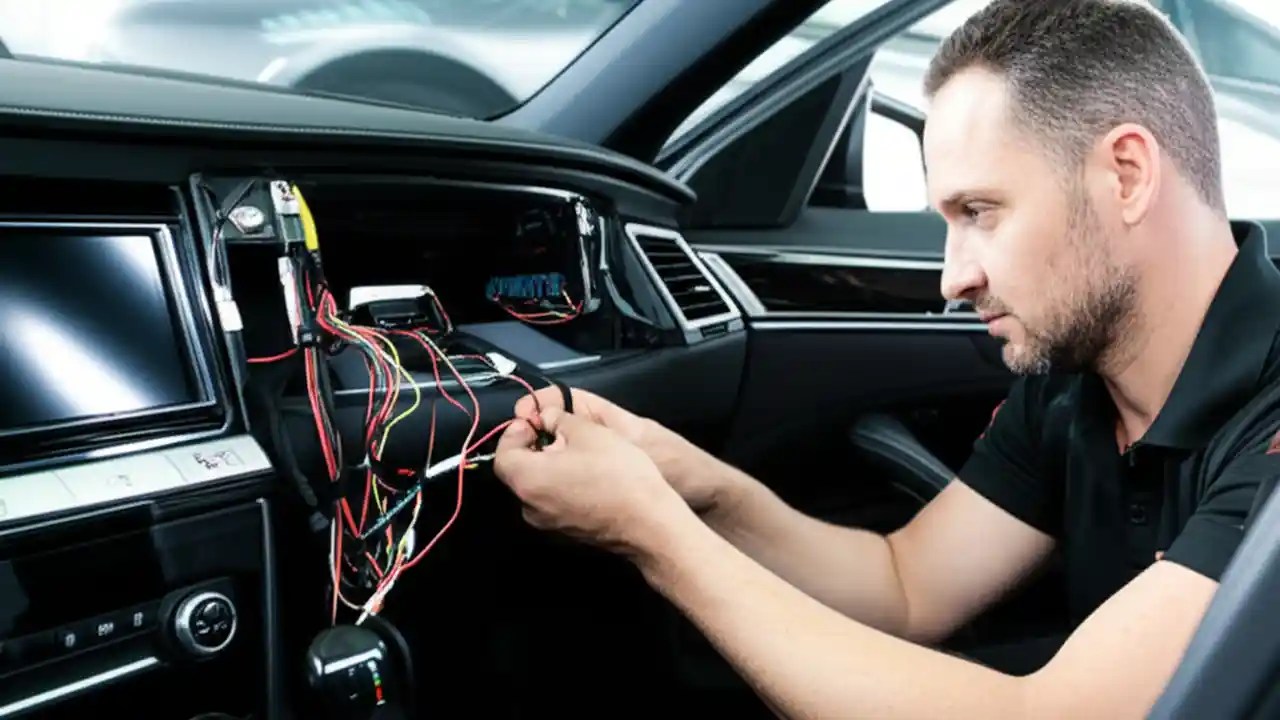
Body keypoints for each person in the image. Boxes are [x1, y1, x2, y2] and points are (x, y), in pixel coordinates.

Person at [492, 0, 1280, 716]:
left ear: (1126, 175)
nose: (952, 278)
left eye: (980, 212)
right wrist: (696, 486)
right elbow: (907, 586)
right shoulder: (1079, 378)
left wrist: (653, 533)